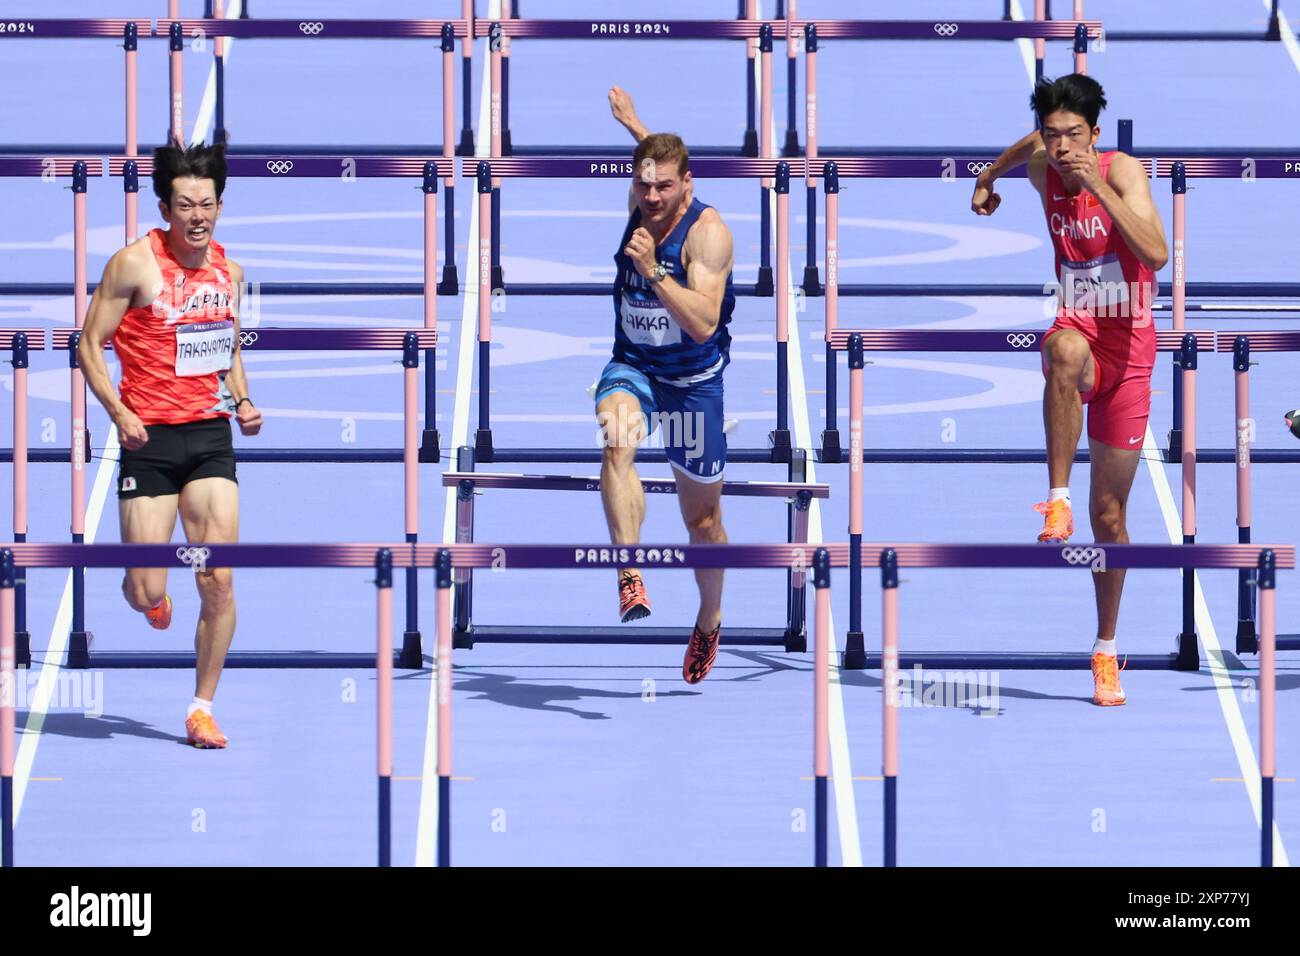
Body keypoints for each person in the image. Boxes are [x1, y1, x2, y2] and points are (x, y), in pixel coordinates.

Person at [971, 75, 1168, 706]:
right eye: (1053, 135)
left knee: (1109, 517)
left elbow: (1156, 254)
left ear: (1095, 135)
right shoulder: (1042, 167)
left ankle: (1106, 648)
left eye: (1073, 136)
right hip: (1079, 330)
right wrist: (988, 175)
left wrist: (1099, 189)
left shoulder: (1123, 172)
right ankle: (1055, 499)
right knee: (1061, 349)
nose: (1061, 148)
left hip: (1129, 354)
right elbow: (1027, 146)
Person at [78, 142, 261, 747]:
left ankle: (201, 708)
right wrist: (119, 411)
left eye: (206, 204)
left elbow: (226, 345)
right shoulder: (132, 265)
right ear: (165, 209)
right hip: (149, 439)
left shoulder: (230, 274)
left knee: (218, 580)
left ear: (220, 206)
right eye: (185, 205)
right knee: (145, 589)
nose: (197, 216)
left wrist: (242, 401)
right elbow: (88, 344)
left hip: (208, 437)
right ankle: (150, 600)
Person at [600, 87, 736, 684]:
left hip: (692, 382)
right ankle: (629, 571)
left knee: (702, 522)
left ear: (687, 185)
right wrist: (636, 126)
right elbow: (658, 161)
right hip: (634, 367)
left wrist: (653, 269)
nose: (650, 197)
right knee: (617, 437)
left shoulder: (708, 235)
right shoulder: (648, 194)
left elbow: (703, 322)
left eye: (663, 188)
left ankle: (709, 618)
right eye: (642, 186)